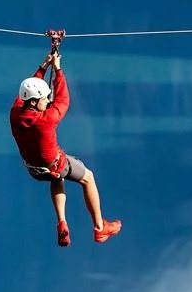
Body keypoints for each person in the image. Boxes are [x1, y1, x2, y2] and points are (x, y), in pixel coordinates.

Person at [9, 29, 122, 248]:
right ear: (34, 102)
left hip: (34, 169)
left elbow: (29, 89)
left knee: (55, 178)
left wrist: (44, 65)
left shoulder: (15, 112)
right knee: (87, 176)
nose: (47, 100)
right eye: (43, 98)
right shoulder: (46, 119)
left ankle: (61, 222)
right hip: (54, 164)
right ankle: (100, 228)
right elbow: (63, 99)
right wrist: (57, 69)